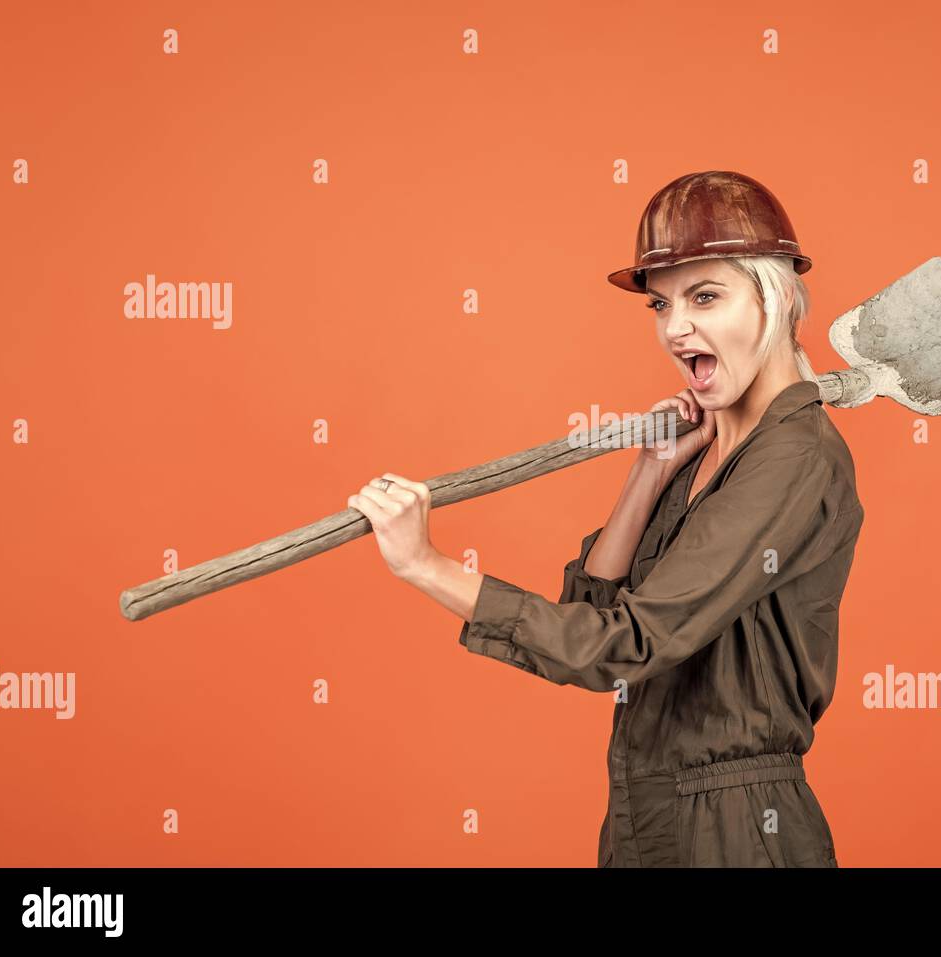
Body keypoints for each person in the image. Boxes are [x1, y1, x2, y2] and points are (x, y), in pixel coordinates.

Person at [347, 171, 864, 867]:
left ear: (774, 300)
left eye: (705, 296)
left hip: (740, 830)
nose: (676, 328)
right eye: (660, 305)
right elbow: (587, 608)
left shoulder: (796, 457)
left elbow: (625, 646)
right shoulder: (706, 451)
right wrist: (649, 475)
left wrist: (424, 566)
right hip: (644, 815)